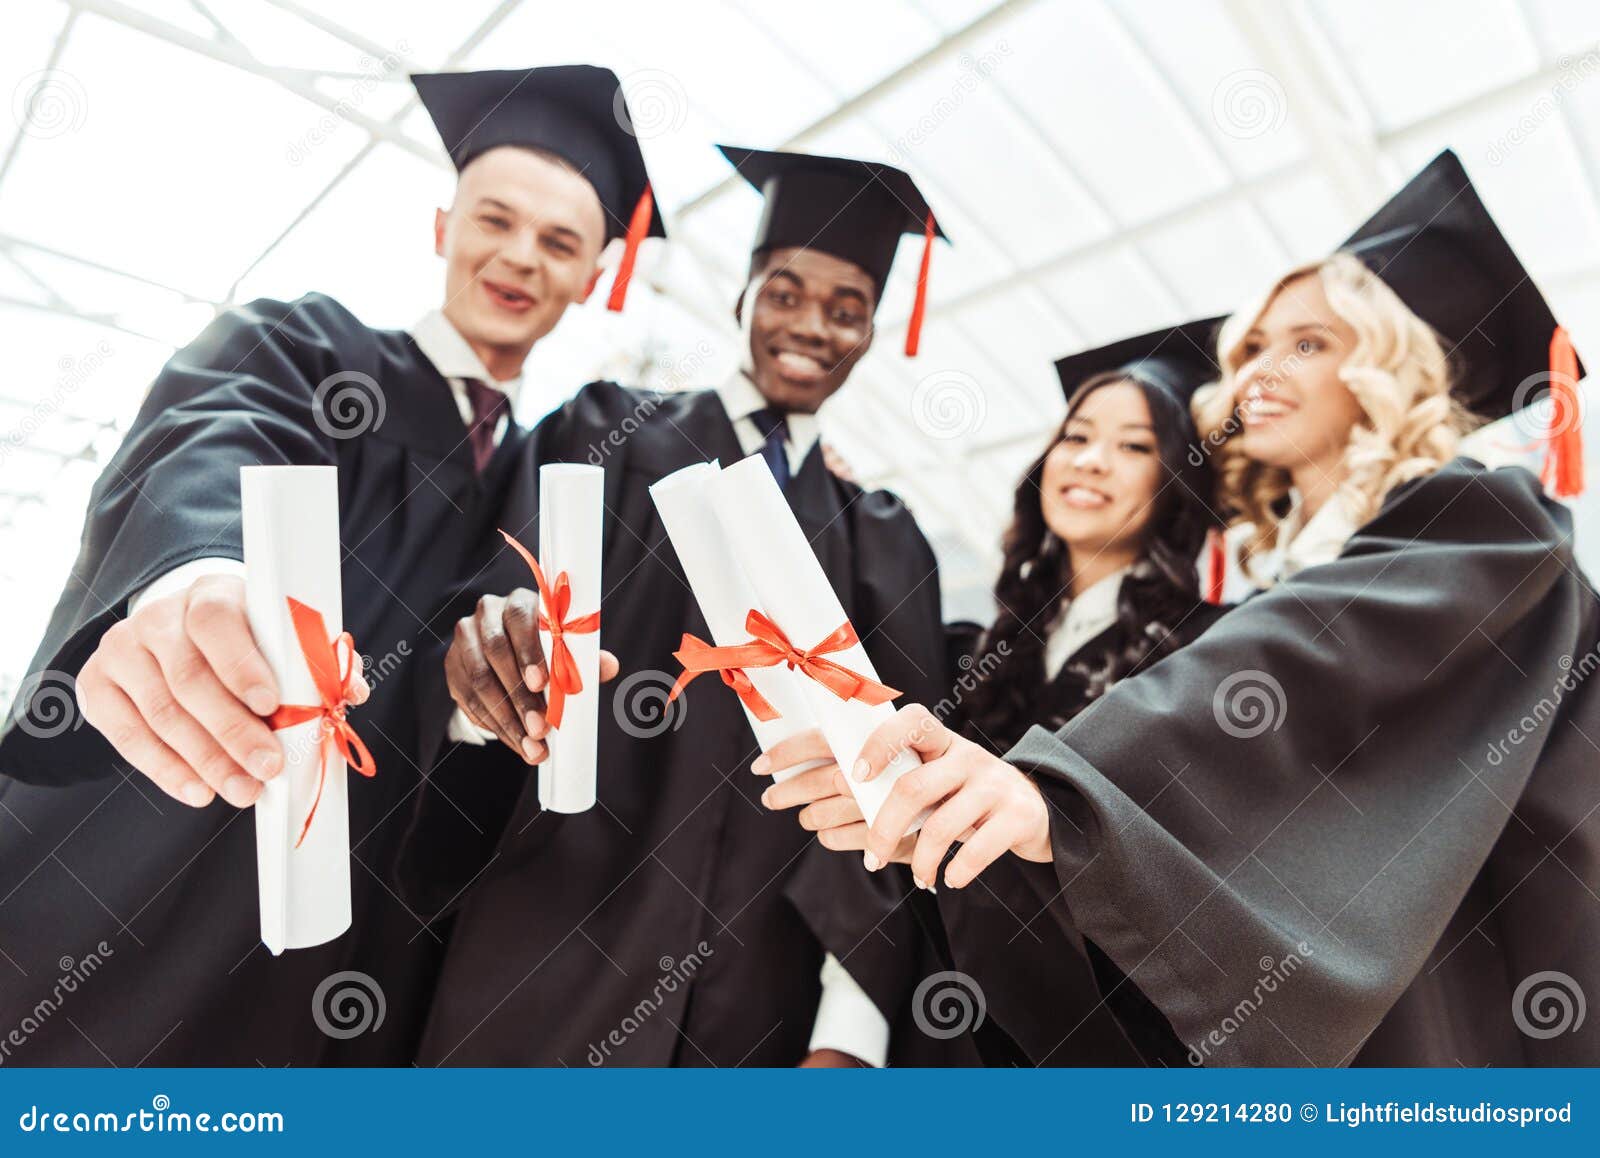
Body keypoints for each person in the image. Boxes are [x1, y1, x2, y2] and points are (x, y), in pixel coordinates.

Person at [770, 150, 1600, 1065]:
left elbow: (1309, 664)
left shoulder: (1483, 525)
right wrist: (934, 805)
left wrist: (1063, 790)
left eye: (1310, 343)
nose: (1258, 373)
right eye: (1251, 347)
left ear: (1391, 367)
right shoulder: (1299, 572)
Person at [0, 65, 658, 1065]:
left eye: (560, 241)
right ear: (445, 227)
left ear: (594, 272)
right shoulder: (309, 348)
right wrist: (200, 577)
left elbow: (479, 665)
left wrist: (492, 698)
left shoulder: (548, 473)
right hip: (158, 857)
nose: (519, 256)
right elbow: (208, 433)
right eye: (495, 219)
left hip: (346, 944)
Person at [397, 147, 963, 1066]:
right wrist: (481, 671)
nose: (810, 326)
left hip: (754, 998)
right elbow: (488, 605)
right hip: (549, 942)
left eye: (847, 309)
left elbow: (901, 778)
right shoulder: (608, 433)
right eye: (785, 293)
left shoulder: (884, 538)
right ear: (742, 298)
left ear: (872, 333)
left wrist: (849, 1030)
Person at [759, 321, 1231, 1064]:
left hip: (1103, 1045)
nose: (1092, 461)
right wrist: (848, 1032)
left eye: (1136, 446)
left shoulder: (1211, 651)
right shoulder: (983, 650)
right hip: (939, 1031)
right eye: (1076, 436)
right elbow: (892, 845)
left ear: (1178, 476)